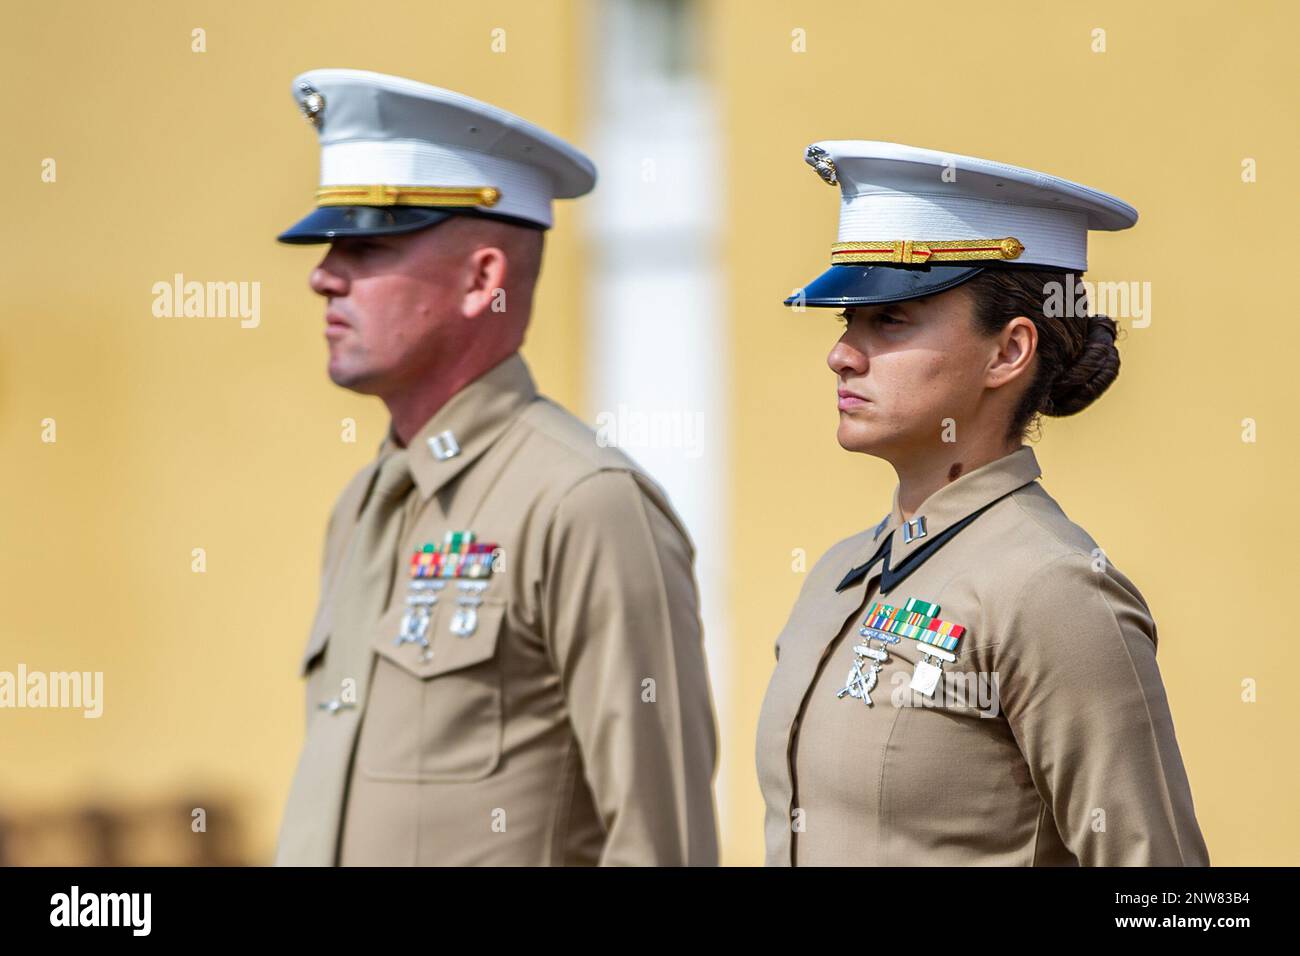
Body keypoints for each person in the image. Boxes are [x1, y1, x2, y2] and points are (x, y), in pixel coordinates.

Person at [272, 69, 718, 866]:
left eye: (368, 245)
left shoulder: (583, 503)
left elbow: (661, 840)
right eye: (330, 246)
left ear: (483, 281)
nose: (324, 275)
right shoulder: (365, 504)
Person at [756, 141, 1209, 866]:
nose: (842, 354)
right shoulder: (841, 572)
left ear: (1008, 352)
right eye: (847, 322)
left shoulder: (1053, 589)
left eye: (891, 320)